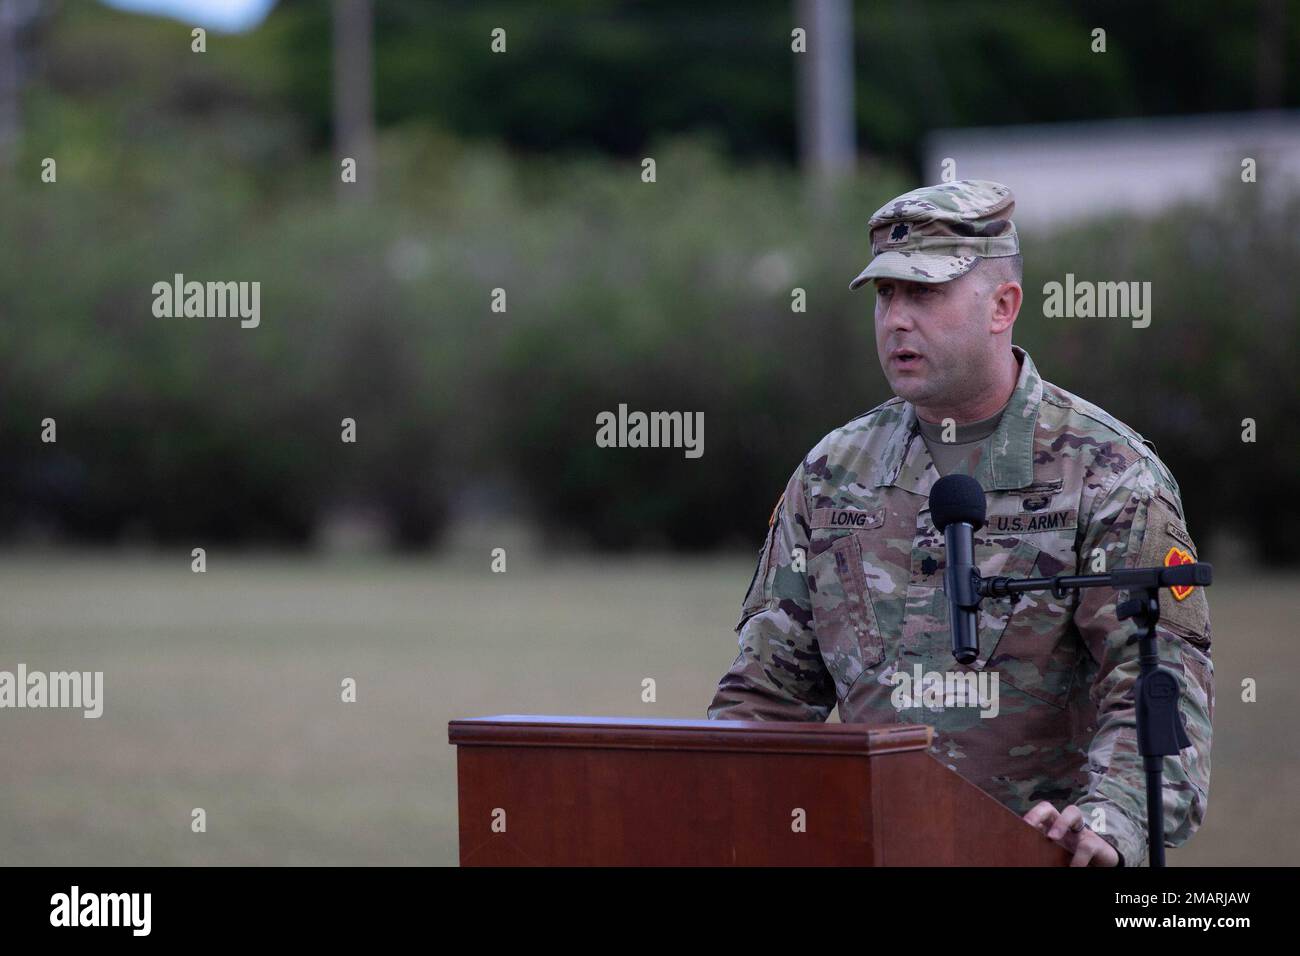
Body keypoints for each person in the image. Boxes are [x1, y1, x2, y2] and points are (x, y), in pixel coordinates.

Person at [707, 180, 1213, 867]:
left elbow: (1158, 683)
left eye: (924, 293)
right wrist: (719, 811)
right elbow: (767, 699)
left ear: (1003, 306)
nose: (896, 320)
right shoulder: (832, 474)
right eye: (886, 294)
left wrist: (1110, 819)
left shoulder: (1108, 472)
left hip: (1041, 857)